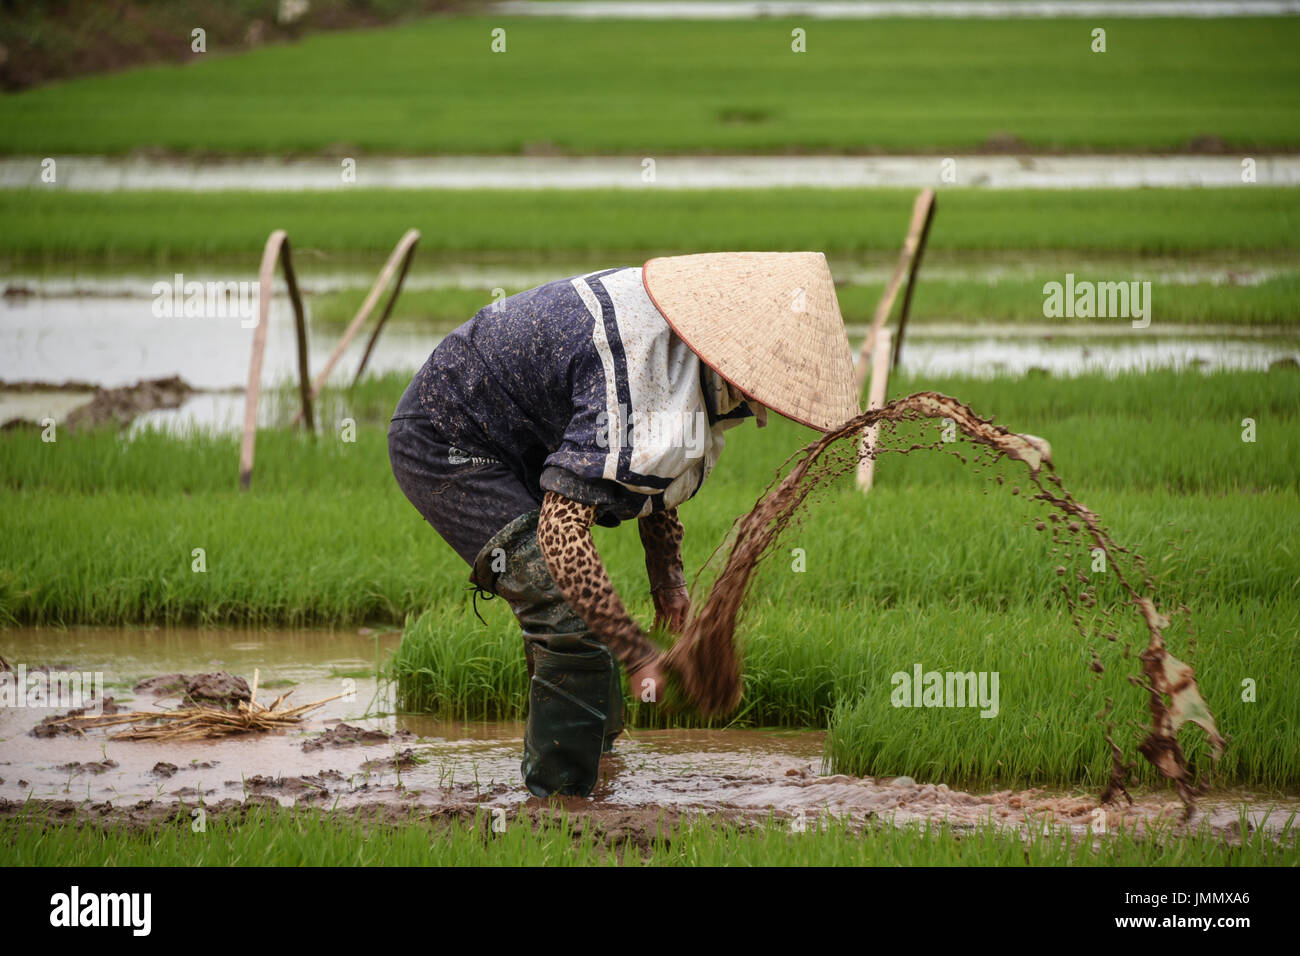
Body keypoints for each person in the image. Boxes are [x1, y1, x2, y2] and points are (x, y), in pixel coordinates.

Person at [387, 251, 857, 797]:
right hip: (449, 438)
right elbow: (561, 534)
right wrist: (638, 655)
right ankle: (558, 807)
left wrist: (668, 582)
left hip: (514, 436)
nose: (767, 407)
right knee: (568, 614)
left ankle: (599, 766)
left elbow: (649, 465)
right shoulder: (636, 361)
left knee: (583, 614)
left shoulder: (678, 354)